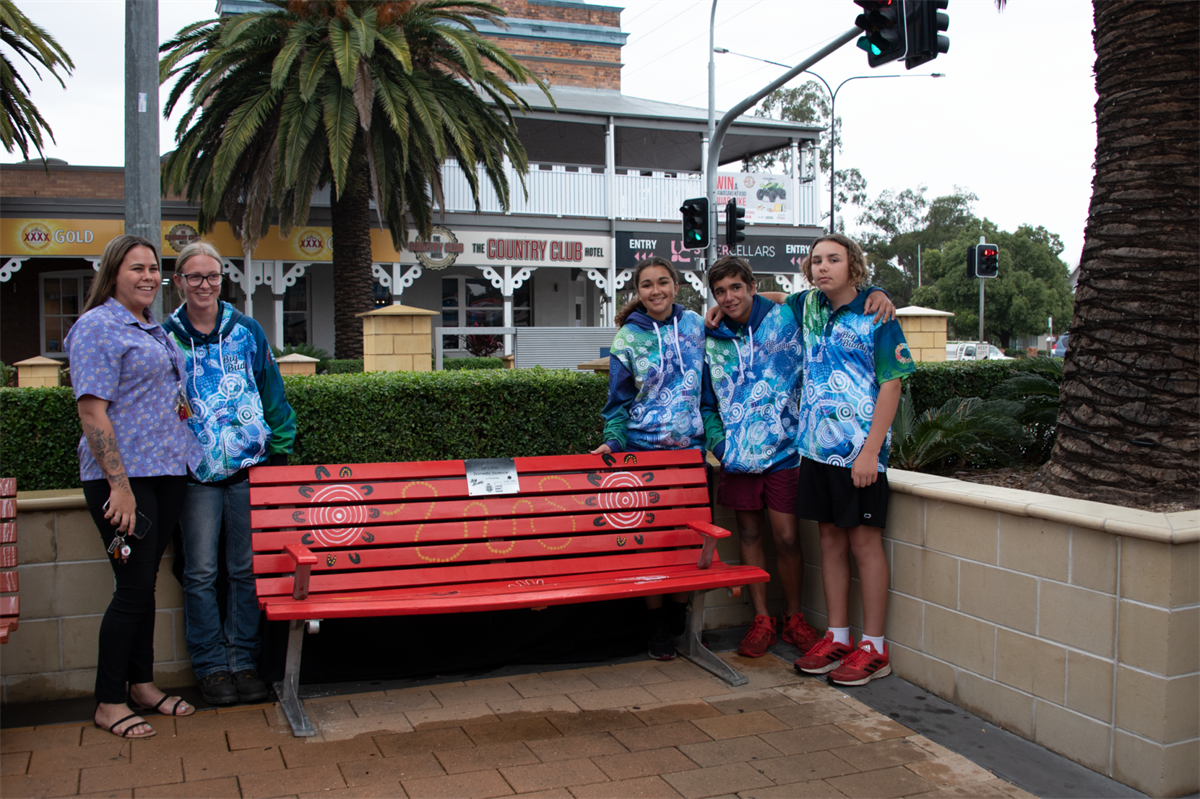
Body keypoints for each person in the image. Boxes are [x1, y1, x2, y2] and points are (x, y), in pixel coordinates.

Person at [67, 235, 197, 739]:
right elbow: (91, 411)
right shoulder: (97, 326)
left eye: (153, 270)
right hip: (124, 480)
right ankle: (107, 700)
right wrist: (117, 487)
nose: (148, 277)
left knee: (144, 587)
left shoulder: (150, 327)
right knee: (133, 588)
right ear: (113, 272)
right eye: (136, 268)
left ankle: (141, 686)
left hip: (167, 472)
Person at [163, 241, 297, 706]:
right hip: (196, 477)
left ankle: (243, 661)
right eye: (195, 276)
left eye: (213, 276)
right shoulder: (166, 338)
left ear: (224, 280)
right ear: (179, 281)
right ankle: (211, 666)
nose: (205, 285)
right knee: (200, 572)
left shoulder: (247, 332)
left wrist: (277, 455)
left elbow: (273, 394)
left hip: (250, 471)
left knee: (244, 570)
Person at [790, 234, 914, 685]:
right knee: (829, 543)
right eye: (816, 260)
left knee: (864, 545)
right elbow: (763, 300)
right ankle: (838, 635)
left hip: (859, 456)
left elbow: (892, 384)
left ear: (853, 265)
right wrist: (716, 308)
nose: (823, 267)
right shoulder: (807, 307)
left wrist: (868, 452)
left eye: (834, 260)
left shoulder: (876, 314)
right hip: (816, 452)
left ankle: (874, 648)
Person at [591, 256, 721, 660]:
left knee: (687, 541)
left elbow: (755, 308)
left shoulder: (697, 326)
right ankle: (655, 627)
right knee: (650, 546)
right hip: (643, 456)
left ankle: (679, 614)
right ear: (639, 292)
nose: (656, 291)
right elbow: (617, 404)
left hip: (690, 457)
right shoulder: (627, 340)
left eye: (663, 282)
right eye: (647, 285)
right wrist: (613, 442)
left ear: (676, 285)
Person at [703, 255, 822, 658]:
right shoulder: (712, 337)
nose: (729, 296)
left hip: (786, 454)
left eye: (736, 287)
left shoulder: (784, 316)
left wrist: (876, 295)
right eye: (720, 291)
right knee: (750, 534)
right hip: (738, 460)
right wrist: (722, 447)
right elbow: (705, 402)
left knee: (787, 537)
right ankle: (761, 620)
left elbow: (807, 297)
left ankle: (794, 618)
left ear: (751, 285)